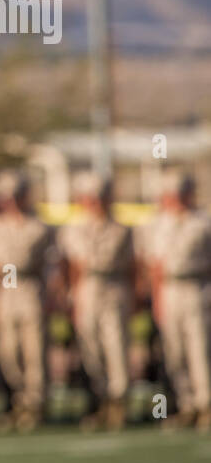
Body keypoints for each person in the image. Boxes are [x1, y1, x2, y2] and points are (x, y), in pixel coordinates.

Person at [58, 172, 135, 431]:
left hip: (114, 287)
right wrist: (71, 298)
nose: (94, 203)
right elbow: (72, 267)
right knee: (90, 347)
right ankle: (100, 399)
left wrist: (132, 297)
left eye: (99, 198)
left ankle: (119, 401)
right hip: (87, 289)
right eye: (90, 198)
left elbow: (132, 267)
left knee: (116, 345)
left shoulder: (121, 229)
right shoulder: (74, 229)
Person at [0, 171, 57, 432]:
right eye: (7, 197)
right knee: (8, 351)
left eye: (15, 196)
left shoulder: (39, 226)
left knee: (34, 350)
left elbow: (51, 266)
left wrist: (51, 296)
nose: (11, 201)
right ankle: (19, 398)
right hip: (5, 291)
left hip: (29, 288)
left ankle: (35, 403)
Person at [148, 172, 211, 430]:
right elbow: (155, 265)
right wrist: (157, 299)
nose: (174, 199)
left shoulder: (203, 222)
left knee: (200, 349)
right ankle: (186, 404)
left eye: (179, 193)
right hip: (169, 289)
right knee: (175, 351)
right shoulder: (159, 224)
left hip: (197, 287)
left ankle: (205, 404)